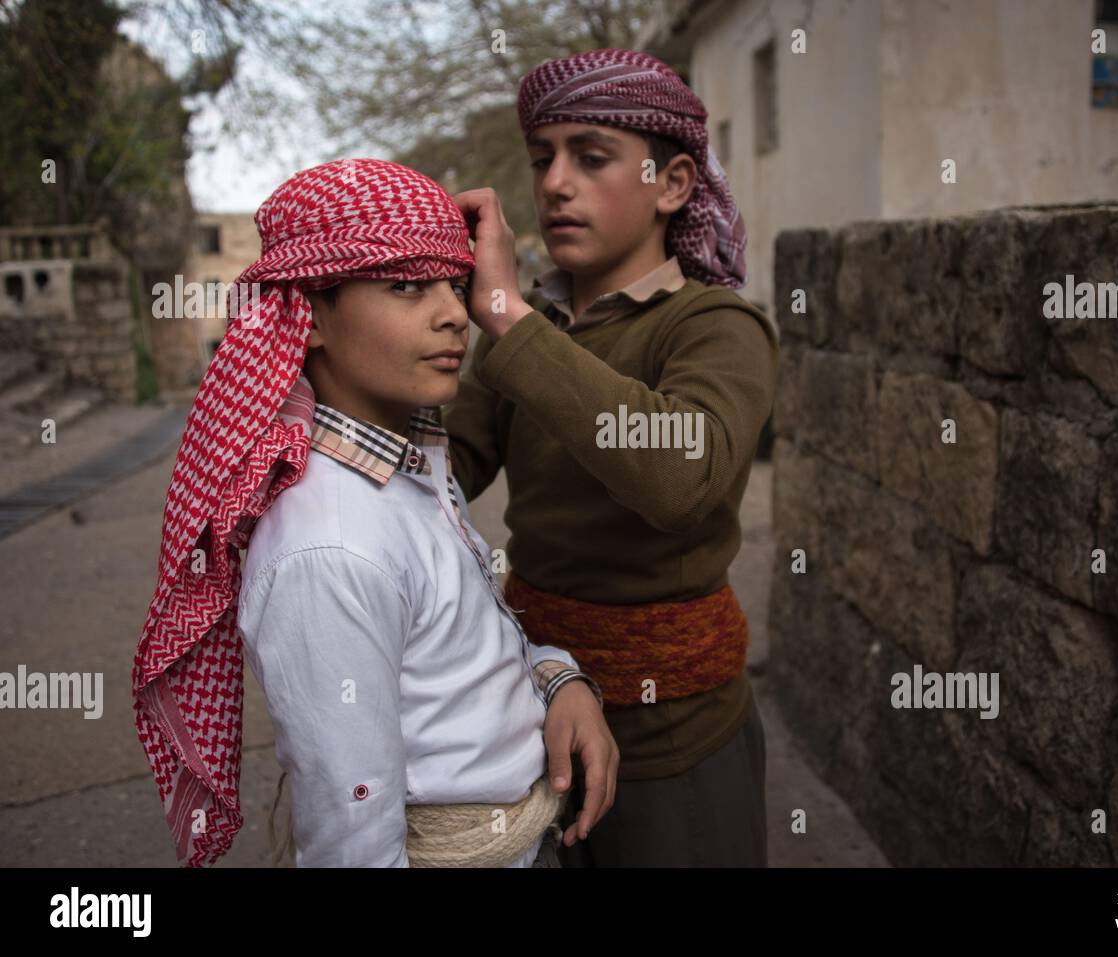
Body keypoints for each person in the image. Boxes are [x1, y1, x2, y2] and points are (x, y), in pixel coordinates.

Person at [130, 158, 615, 868]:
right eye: (404, 285)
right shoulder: (329, 548)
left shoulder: (410, 463)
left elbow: (459, 658)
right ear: (311, 315)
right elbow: (354, 839)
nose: (455, 312)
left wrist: (556, 676)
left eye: (453, 283)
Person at [443, 48, 779, 867]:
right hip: (529, 715)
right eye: (541, 158)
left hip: (674, 741)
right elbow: (444, 473)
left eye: (591, 157)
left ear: (672, 185)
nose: (555, 182)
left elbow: (680, 479)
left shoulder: (713, 327)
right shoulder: (526, 333)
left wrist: (508, 320)